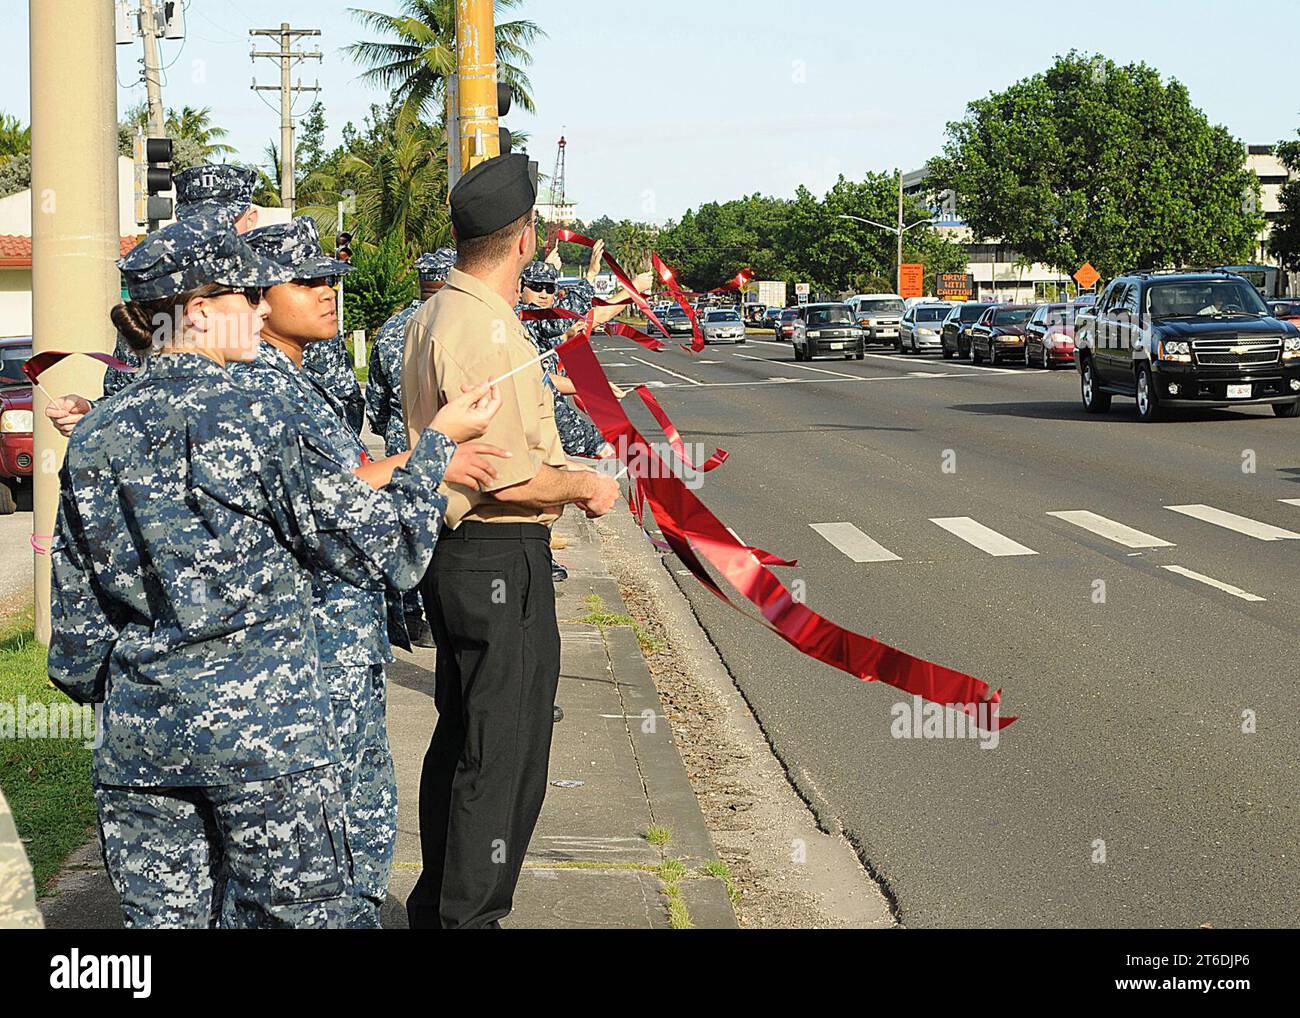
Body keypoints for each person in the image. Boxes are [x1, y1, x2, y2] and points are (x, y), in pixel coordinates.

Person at [47, 213, 501, 928]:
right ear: (198, 312)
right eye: (245, 298)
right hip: (270, 746)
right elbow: (388, 551)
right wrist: (436, 446)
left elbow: (75, 647)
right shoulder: (263, 411)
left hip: (141, 750)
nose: (261, 310)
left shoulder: (99, 433)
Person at [234, 217, 506, 927]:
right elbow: (355, 521)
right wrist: (435, 450)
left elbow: (341, 480)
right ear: (256, 300)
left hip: (334, 651)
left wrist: (414, 459)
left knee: (347, 849)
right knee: (328, 862)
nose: (330, 292)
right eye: (308, 281)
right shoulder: (265, 393)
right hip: (307, 664)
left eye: (332, 278)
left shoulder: (290, 382)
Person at [401, 153, 621, 929]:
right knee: (504, 753)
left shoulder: (439, 311)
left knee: (465, 737)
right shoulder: (484, 328)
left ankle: (441, 906)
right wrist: (586, 482)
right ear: (523, 237)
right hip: (495, 556)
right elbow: (503, 479)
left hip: (462, 557)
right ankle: (470, 916)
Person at [366, 247, 457, 647]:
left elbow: (375, 398)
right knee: (444, 535)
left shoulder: (390, 328)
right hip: (447, 449)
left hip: (400, 453)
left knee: (403, 532)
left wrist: (393, 435)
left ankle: (409, 617)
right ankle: (442, 619)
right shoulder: (452, 323)